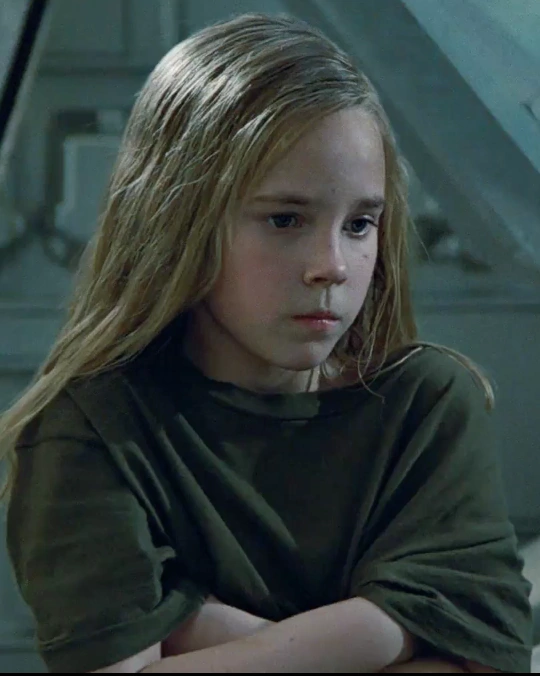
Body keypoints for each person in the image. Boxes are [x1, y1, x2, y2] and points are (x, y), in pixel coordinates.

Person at [0, 12, 533, 674]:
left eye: (360, 224)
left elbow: (495, 651)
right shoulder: (93, 426)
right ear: (178, 219)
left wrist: (187, 628)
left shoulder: (425, 405)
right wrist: (396, 629)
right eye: (285, 219)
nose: (331, 266)